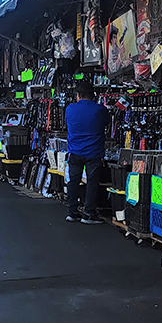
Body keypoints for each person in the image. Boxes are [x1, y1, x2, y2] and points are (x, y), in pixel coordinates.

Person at [65, 79, 110, 224]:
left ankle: (72, 212)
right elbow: (106, 124)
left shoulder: (70, 109)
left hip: (75, 151)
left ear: (78, 95)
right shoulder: (100, 110)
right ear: (93, 95)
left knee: (73, 181)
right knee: (92, 183)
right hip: (93, 152)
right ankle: (88, 213)